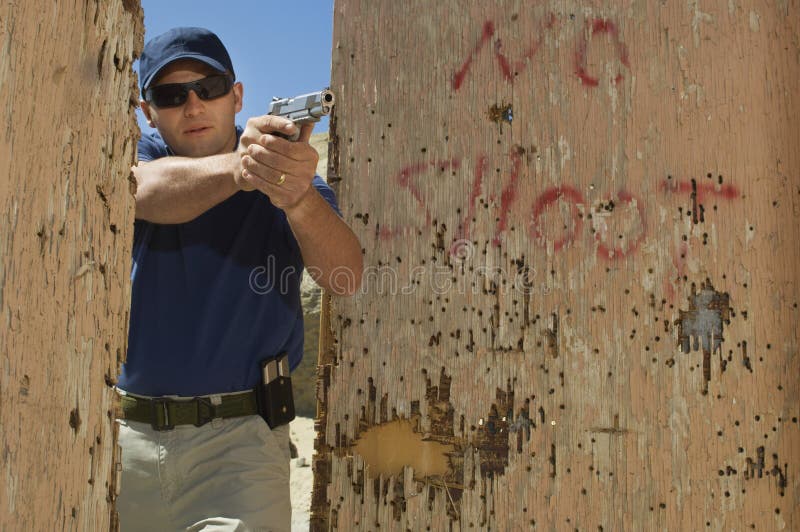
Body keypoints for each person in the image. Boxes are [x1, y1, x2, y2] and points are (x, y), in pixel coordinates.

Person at [115, 27, 362, 531]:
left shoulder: (289, 179)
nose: (192, 105)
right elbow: (142, 191)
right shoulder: (139, 159)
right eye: (170, 94)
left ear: (237, 95)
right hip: (126, 443)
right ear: (148, 112)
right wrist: (243, 170)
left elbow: (346, 276)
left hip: (240, 447)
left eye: (208, 88)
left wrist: (296, 198)